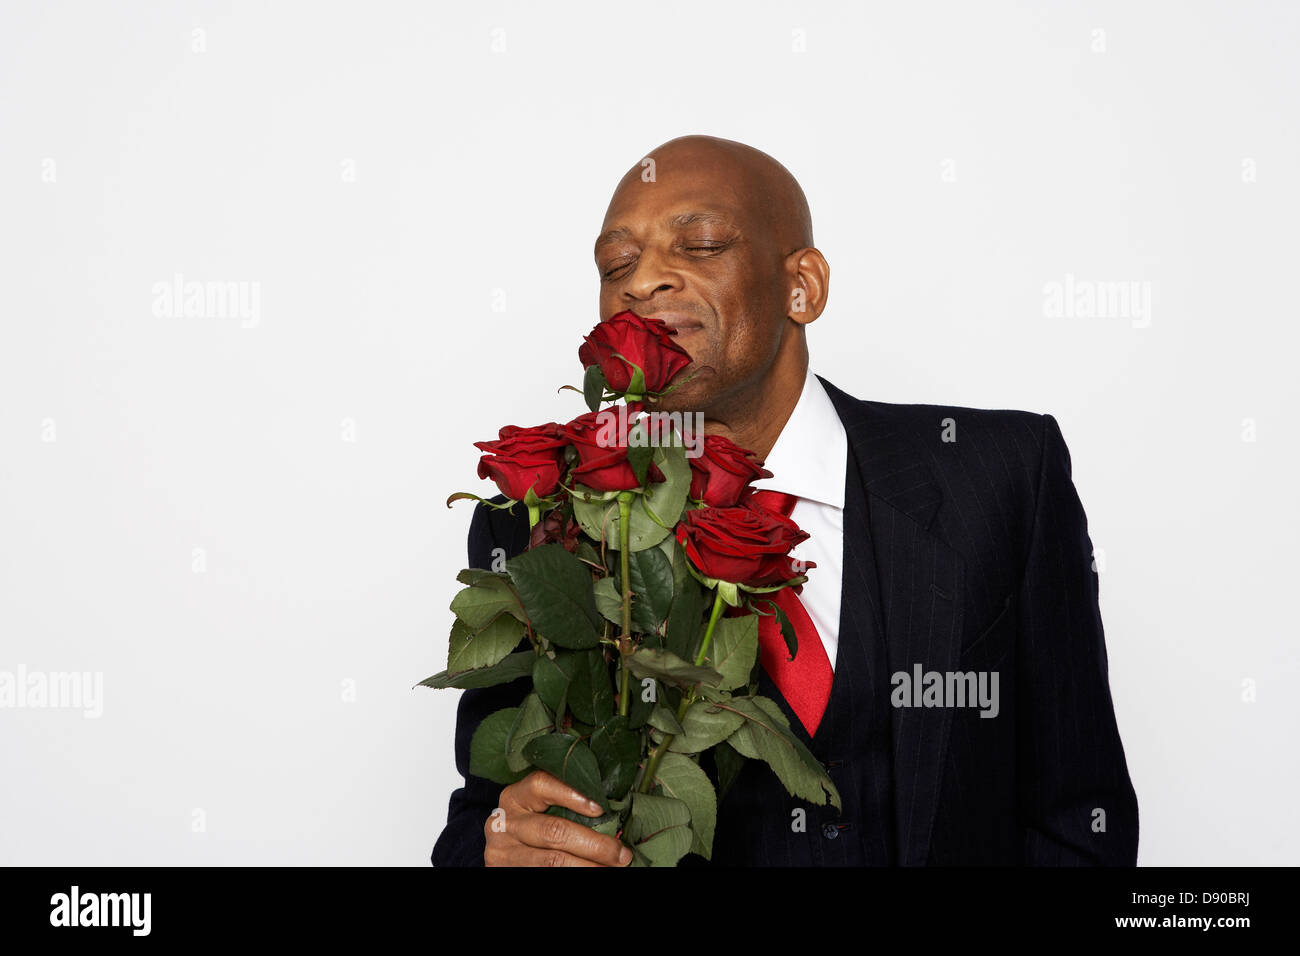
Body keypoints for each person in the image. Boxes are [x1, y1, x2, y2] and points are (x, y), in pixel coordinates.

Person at [431, 135, 1139, 866]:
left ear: (804, 286)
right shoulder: (544, 525)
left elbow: (1079, 816)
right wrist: (500, 849)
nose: (643, 282)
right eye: (617, 265)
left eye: (699, 243)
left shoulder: (1001, 477)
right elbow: (479, 823)